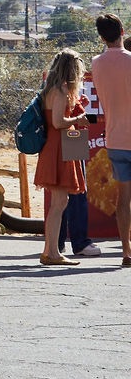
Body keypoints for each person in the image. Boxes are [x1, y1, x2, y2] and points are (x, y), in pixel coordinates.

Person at [34, 49, 89, 266]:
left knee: (59, 202)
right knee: (59, 202)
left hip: (59, 146)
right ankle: (52, 253)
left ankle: (51, 250)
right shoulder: (59, 91)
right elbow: (58, 122)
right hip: (59, 147)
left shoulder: (52, 89)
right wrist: (79, 118)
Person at [88, 13, 131, 265]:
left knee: (122, 199)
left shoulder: (96, 63)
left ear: (101, 37)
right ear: (123, 31)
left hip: (115, 138)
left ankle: (127, 251)